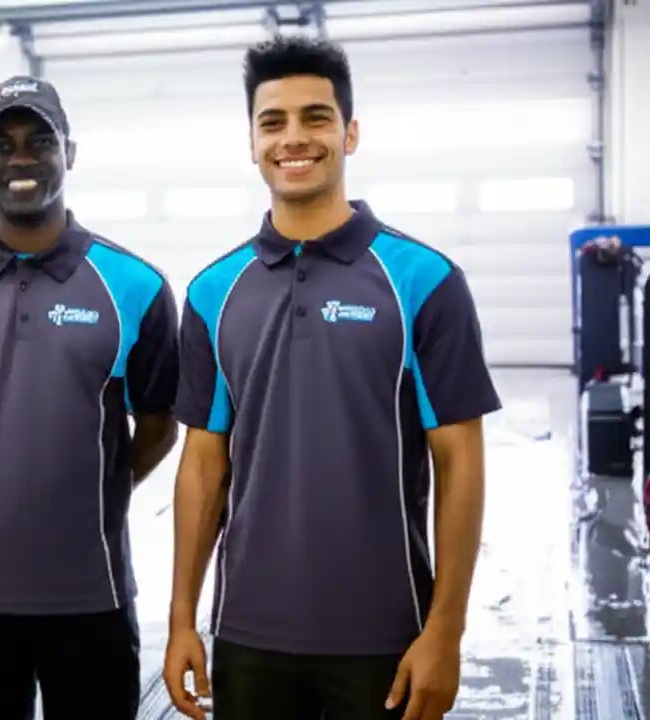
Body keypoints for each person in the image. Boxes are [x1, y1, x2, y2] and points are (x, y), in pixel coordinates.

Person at [162, 36, 501, 720]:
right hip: (247, 636)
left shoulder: (423, 283)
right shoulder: (212, 293)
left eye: (316, 118)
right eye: (273, 121)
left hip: (383, 635)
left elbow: (459, 462)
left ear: (349, 133)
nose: (294, 138)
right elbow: (203, 466)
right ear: (252, 142)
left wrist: (446, 631)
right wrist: (180, 622)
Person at [0, 75, 180, 720]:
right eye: (1, 144)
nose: (20, 158)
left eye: (39, 141)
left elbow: (160, 424)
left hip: (94, 596)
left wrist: (101, 487)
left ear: (69, 153)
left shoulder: (133, 285)